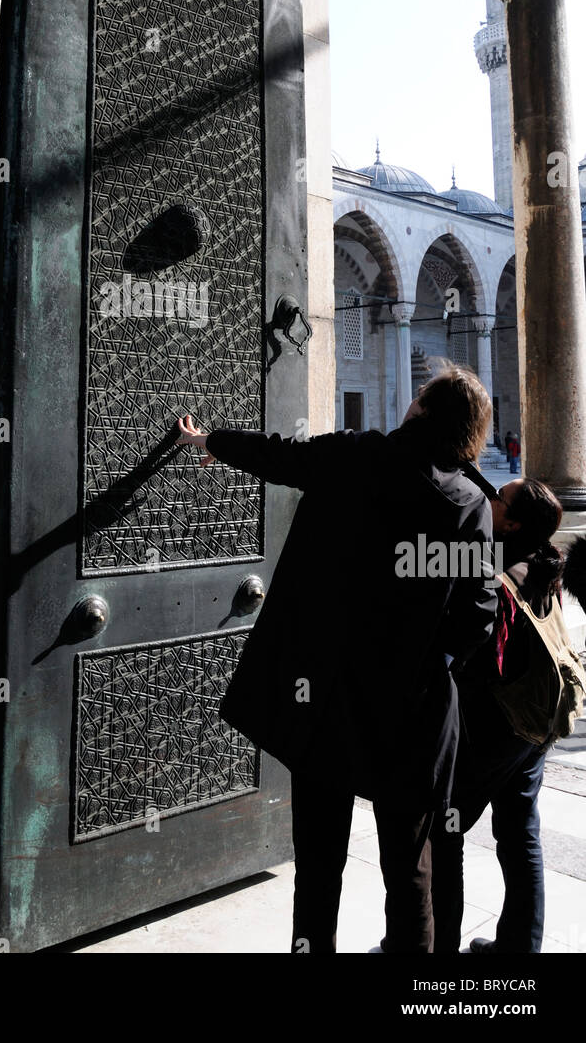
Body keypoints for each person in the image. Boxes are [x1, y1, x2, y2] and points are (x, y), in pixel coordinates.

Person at [178, 366, 498, 953]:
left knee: (319, 864)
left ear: (423, 409)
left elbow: (280, 458)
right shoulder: (467, 504)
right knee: (409, 873)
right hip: (410, 715)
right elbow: (476, 617)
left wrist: (209, 442)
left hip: (324, 700)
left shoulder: (356, 457)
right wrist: (424, 659)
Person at [430, 477, 565, 953]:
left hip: (495, 727)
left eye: (498, 497)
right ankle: (519, 950)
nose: (487, 497)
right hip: (536, 724)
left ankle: (436, 944)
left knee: (443, 829)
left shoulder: (498, 573)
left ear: (511, 521)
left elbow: (476, 659)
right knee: (520, 832)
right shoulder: (545, 562)